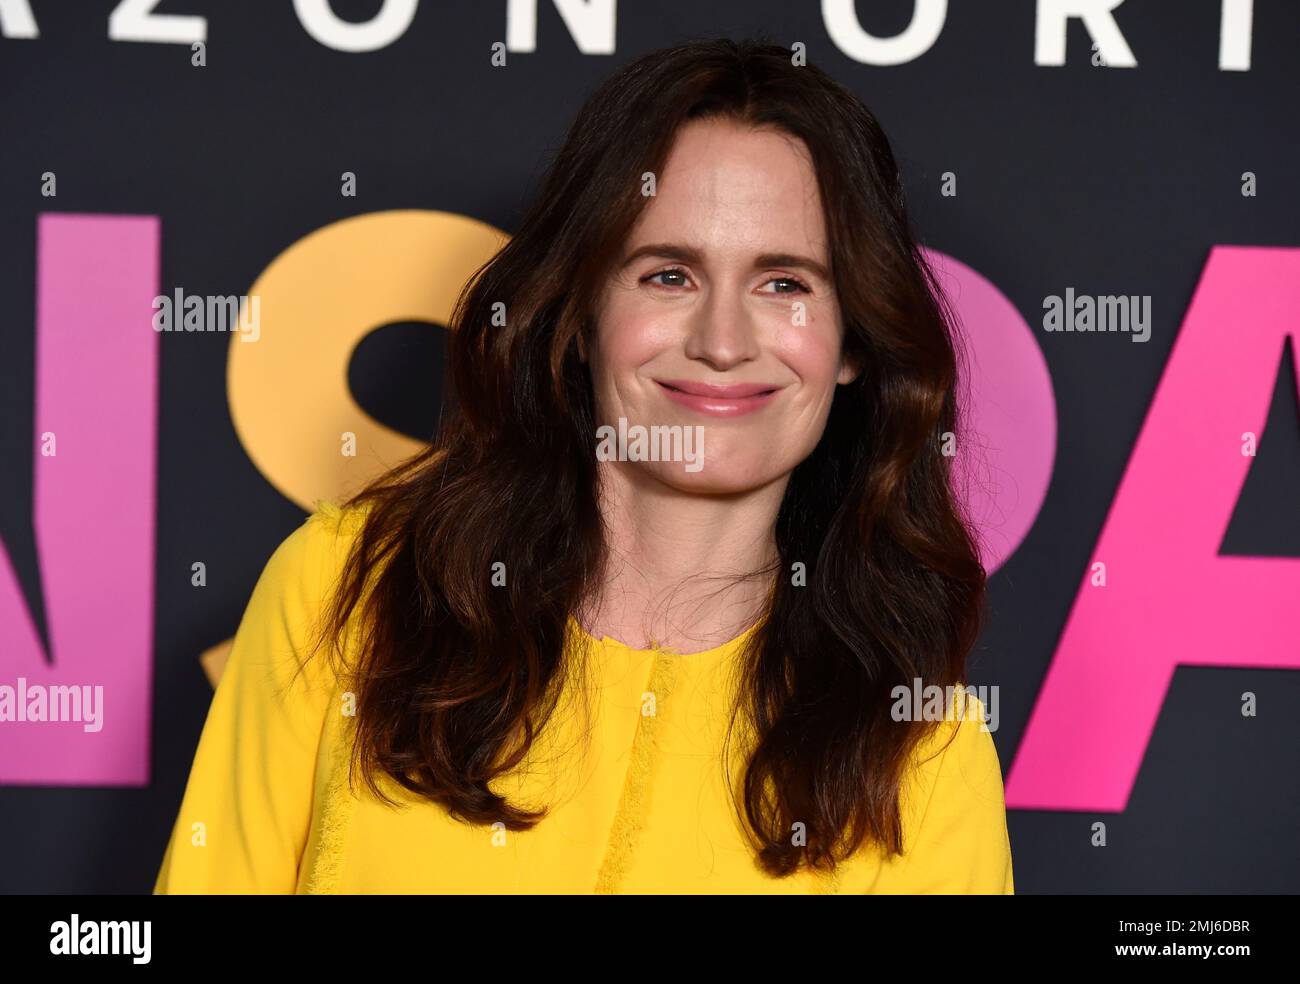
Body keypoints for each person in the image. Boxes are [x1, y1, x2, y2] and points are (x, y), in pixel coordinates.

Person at [154, 37, 1013, 894]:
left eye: (785, 283)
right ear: (583, 309)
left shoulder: (921, 749)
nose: (722, 342)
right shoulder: (349, 589)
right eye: (668, 275)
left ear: (854, 339)